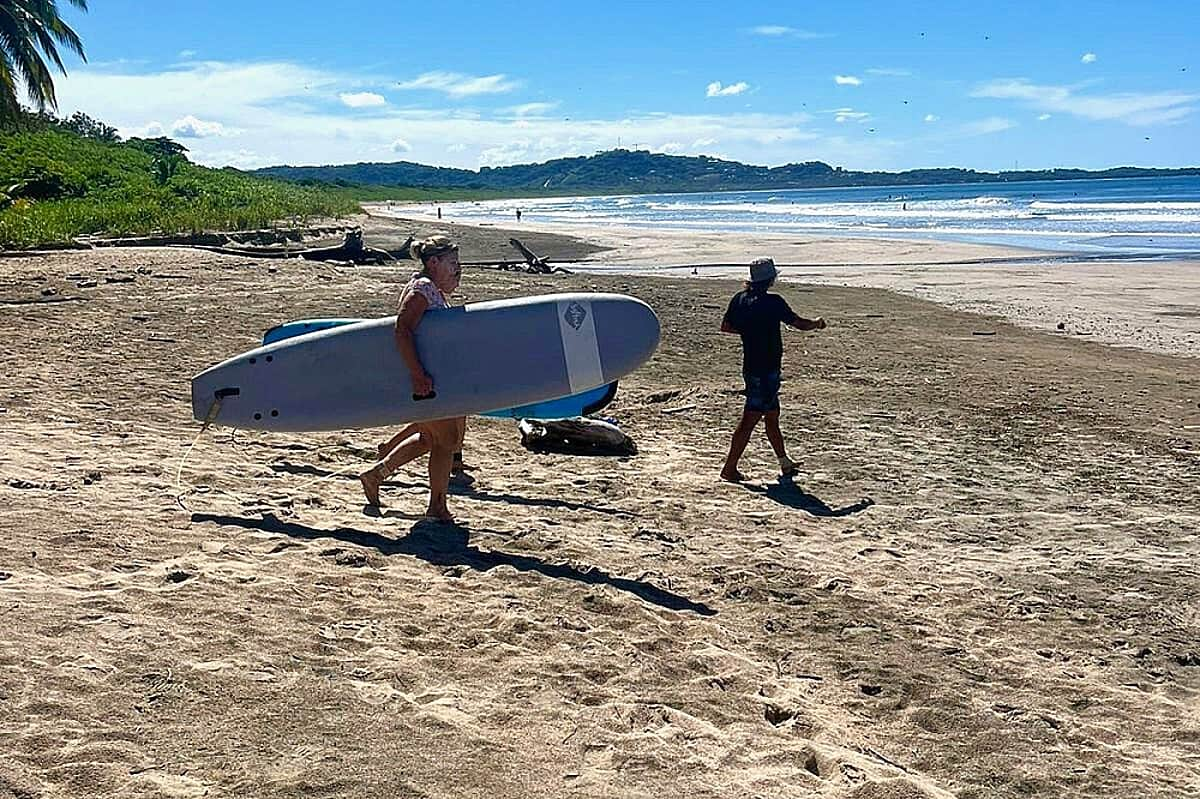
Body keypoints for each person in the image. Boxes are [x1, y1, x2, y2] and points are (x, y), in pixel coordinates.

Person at [359, 234, 466, 521]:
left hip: (434, 380)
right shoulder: (422, 288)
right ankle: (437, 507)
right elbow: (402, 330)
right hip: (426, 381)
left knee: (429, 439)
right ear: (433, 262)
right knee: (446, 441)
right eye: (452, 263)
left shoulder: (432, 290)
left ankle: (375, 475)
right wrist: (418, 375)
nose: (458, 269)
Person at [719, 257, 826, 483]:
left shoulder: (739, 299)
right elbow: (799, 324)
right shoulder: (773, 302)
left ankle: (784, 462)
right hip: (766, 367)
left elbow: (726, 327)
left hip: (751, 365)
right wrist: (817, 323)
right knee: (750, 419)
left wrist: (750, 332)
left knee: (772, 416)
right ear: (771, 279)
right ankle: (729, 468)